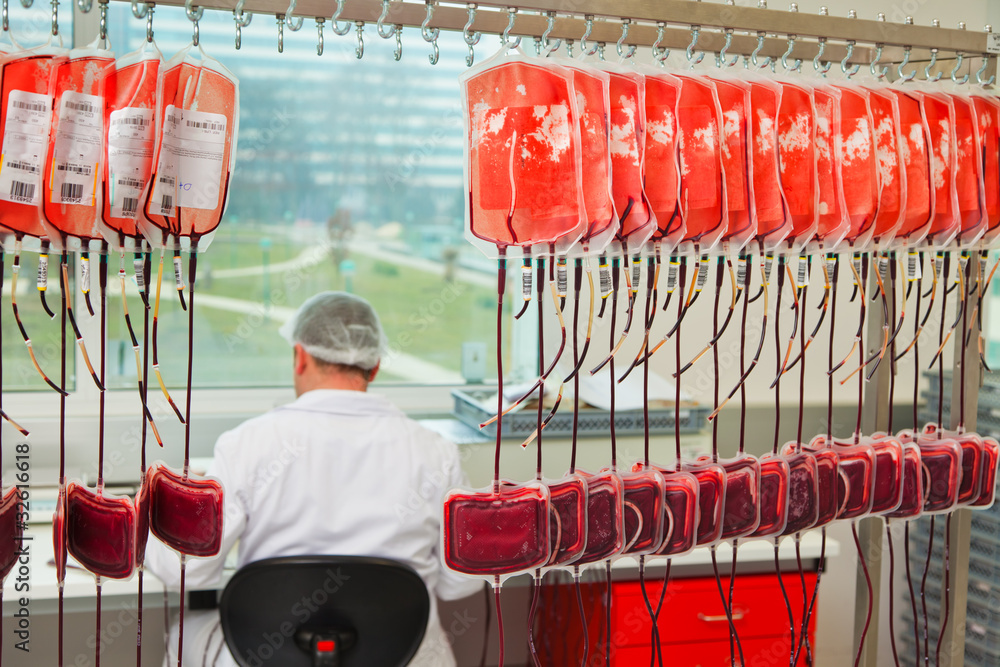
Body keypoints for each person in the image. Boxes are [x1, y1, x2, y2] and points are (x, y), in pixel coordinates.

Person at [144, 291, 482, 667]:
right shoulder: (436, 452)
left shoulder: (247, 444)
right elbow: (460, 584)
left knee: (185, 633)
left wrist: (152, 516)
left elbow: (185, 571)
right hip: (404, 657)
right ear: (374, 366)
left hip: (266, 655)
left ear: (300, 356)